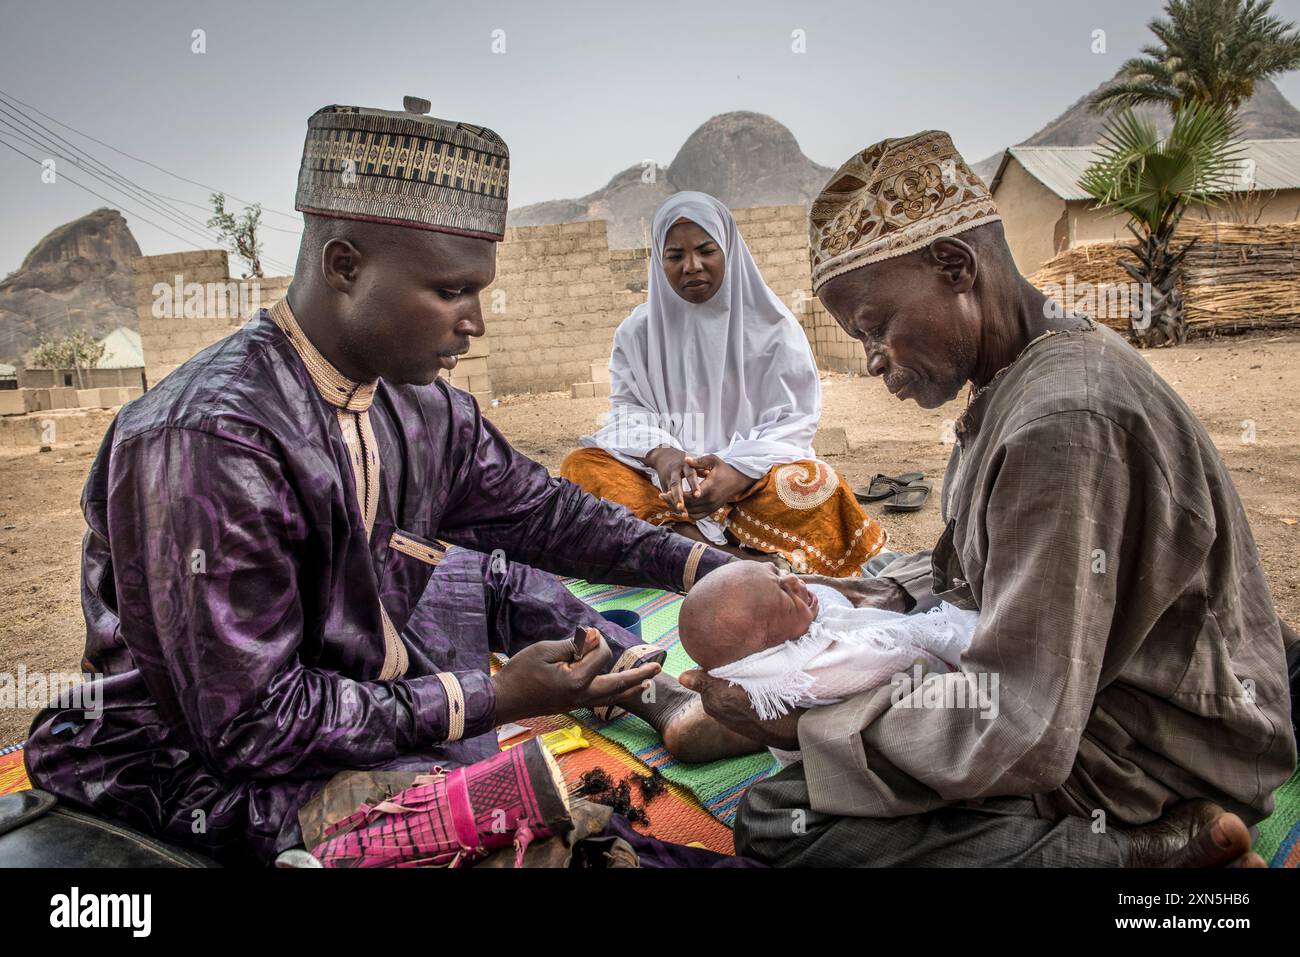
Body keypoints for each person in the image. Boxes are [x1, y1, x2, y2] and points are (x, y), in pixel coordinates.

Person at [22, 100, 750, 864]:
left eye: (478, 291)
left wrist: (713, 570)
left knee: (481, 572)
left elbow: (546, 514)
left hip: (350, 674)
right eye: (449, 291)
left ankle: (638, 688)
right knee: (520, 829)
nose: (475, 322)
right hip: (198, 766)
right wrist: (490, 698)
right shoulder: (210, 440)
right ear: (344, 266)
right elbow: (250, 724)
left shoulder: (421, 406)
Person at [681, 131, 1297, 867]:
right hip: (1096, 694)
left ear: (956, 266)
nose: (874, 360)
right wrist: (863, 593)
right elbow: (980, 574)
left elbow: (1020, 722)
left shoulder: (1061, 421)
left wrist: (804, 728)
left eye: (876, 328)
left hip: (1152, 746)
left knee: (781, 819)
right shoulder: (1024, 374)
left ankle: (1140, 853)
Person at [560, 191, 884, 576]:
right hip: (665, 489)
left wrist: (736, 470)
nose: (692, 266)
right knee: (582, 467)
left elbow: (794, 422)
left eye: (705, 250)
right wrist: (662, 454)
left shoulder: (773, 328)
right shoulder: (638, 333)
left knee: (817, 484)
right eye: (675, 256)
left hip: (751, 484)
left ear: (728, 250)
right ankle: (724, 558)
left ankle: (679, 554)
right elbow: (627, 411)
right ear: (659, 262)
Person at [678, 561, 978, 765]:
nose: (795, 580)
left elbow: (828, 600)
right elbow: (889, 654)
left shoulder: (788, 633)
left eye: (779, 571)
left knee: (878, 565)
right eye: (783, 592)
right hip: (935, 700)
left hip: (991, 686)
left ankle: (741, 733)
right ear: (764, 651)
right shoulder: (826, 668)